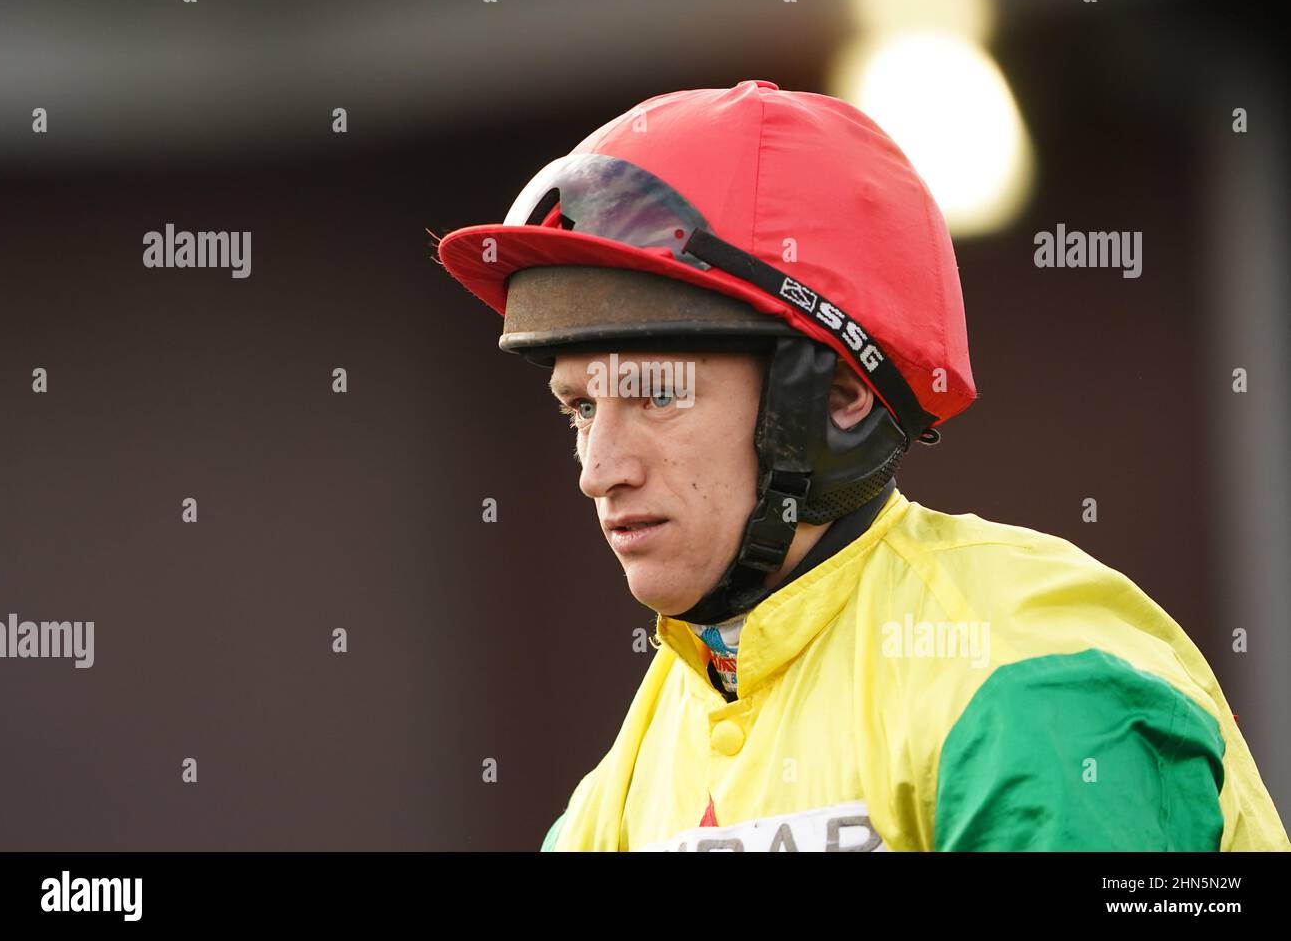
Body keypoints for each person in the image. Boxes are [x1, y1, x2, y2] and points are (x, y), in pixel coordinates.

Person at [436, 80, 1290, 852]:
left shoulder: (1030, 677)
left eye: (656, 394)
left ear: (838, 396)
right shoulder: (632, 771)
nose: (598, 469)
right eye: (580, 408)